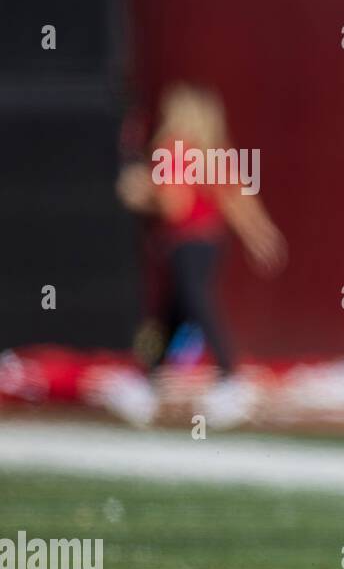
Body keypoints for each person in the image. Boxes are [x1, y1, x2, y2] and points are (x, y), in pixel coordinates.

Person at [113, 83, 286, 428]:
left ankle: (228, 374)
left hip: (184, 243)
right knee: (173, 312)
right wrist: (262, 235)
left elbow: (174, 208)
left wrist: (139, 194)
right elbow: (238, 199)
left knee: (195, 305)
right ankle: (147, 376)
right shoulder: (212, 151)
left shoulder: (170, 149)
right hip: (211, 244)